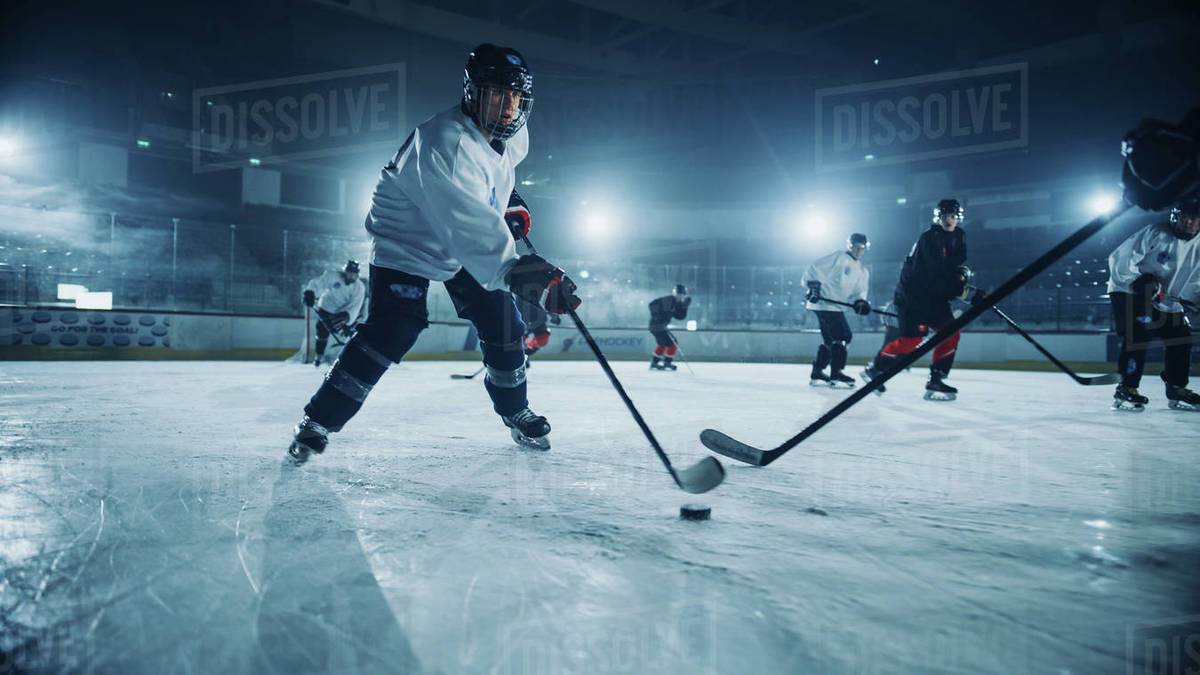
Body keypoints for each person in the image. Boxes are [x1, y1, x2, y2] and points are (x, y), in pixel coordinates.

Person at [287, 43, 581, 463]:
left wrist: (509, 201)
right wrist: (525, 276)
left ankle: (516, 412)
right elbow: (469, 227)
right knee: (395, 329)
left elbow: (491, 185)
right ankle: (317, 421)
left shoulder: (510, 135)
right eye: (497, 93)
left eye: (516, 96)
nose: (508, 106)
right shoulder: (446, 141)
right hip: (408, 242)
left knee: (503, 323)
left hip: (462, 241)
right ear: (472, 93)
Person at [861, 198, 984, 400]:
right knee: (912, 341)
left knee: (951, 333)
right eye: (945, 216)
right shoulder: (930, 238)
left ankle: (936, 379)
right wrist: (966, 293)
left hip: (935, 298)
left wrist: (966, 288)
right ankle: (876, 369)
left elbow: (953, 271)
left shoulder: (959, 236)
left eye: (952, 216)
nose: (949, 220)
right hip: (913, 298)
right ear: (938, 217)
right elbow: (936, 275)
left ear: (958, 218)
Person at [1106, 197, 1200, 411]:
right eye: (1187, 218)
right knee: (1138, 335)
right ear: (1176, 216)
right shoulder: (1155, 233)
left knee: (1181, 337)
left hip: (1165, 298)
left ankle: (1176, 387)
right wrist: (1141, 280)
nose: (1191, 224)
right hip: (1129, 290)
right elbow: (1119, 260)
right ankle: (1127, 388)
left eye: (1196, 220)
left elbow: (1194, 282)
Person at [803, 233, 871, 387]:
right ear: (850, 246)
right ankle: (837, 372)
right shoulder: (839, 257)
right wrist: (814, 288)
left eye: (862, 248)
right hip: (824, 304)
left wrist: (861, 302)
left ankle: (818, 371)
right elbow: (815, 267)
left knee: (830, 340)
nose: (858, 251)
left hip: (836, 307)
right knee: (843, 336)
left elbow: (859, 292)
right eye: (856, 247)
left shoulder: (862, 270)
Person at [302, 260, 366, 367]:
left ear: (357, 274)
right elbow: (317, 283)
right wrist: (310, 291)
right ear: (345, 271)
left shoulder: (359, 287)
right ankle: (319, 356)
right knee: (322, 332)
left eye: (354, 274)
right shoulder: (332, 276)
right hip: (326, 309)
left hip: (343, 313)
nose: (351, 275)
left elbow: (356, 304)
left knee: (347, 334)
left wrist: (347, 316)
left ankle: (345, 357)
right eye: (349, 272)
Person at [648, 284, 691, 370]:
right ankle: (667, 362)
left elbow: (679, 317)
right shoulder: (667, 300)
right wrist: (656, 316)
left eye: (682, 295)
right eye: (679, 294)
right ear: (675, 293)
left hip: (661, 327)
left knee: (662, 344)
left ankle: (654, 362)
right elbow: (652, 304)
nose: (680, 297)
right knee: (673, 342)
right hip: (656, 326)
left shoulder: (678, 304)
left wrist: (685, 308)